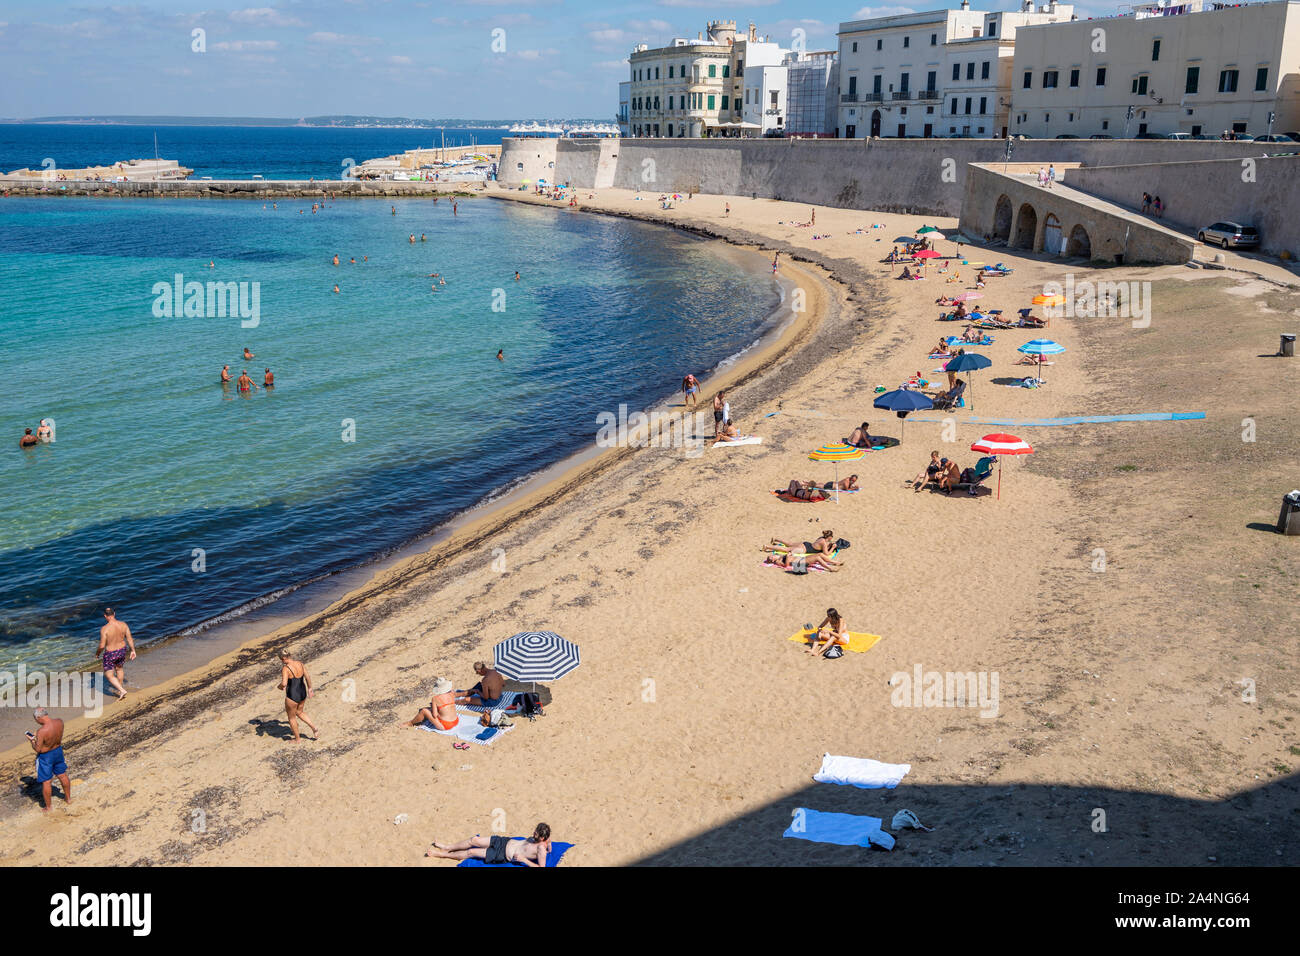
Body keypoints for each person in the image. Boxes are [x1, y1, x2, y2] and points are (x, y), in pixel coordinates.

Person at [427, 823, 552, 865]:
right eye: (535, 830)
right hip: (504, 841)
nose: (533, 833)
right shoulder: (545, 839)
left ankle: (441, 855)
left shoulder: (541, 849)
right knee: (474, 840)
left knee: (471, 852)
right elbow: (549, 840)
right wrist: (549, 843)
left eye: (536, 834)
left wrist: (524, 860)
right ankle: (447, 847)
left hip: (502, 854)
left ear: (541, 838)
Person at [30, 708, 71, 811]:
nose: (36, 721)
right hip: (58, 751)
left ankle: (48, 807)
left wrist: (32, 741)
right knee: (62, 775)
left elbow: (38, 749)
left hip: (46, 756)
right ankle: (68, 799)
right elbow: (53, 736)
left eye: (35, 719)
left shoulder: (41, 731)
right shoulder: (59, 722)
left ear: (39, 718)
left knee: (47, 782)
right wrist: (39, 736)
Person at [277, 649, 318, 742]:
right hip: (302, 692)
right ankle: (314, 728)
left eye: (281, 660)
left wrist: (279, 687)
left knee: (291, 717)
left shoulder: (286, 668)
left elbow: (284, 684)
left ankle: (297, 739)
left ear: (283, 658)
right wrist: (310, 688)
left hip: (292, 695)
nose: (281, 662)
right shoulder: (300, 663)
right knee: (300, 712)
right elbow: (307, 676)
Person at [97, 607, 136, 701]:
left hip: (111, 653)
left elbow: (102, 645)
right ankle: (119, 687)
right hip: (122, 650)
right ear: (114, 614)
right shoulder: (123, 624)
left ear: (105, 616)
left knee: (109, 675)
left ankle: (121, 690)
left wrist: (97, 653)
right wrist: (133, 650)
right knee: (119, 669)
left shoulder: (104, 629)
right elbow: (129, 638)